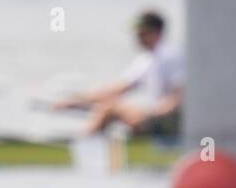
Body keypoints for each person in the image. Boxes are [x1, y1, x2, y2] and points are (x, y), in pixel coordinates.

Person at [52, 10, 183, 137]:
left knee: (109, 109)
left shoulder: (170, 55)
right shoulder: (146, 60)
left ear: (156, 32)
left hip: (173, 121)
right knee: (107, 106)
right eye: (137, 34)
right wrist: (74, 102)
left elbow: (179, 97)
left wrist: (151, 115)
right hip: (156, 117)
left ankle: (81, 145)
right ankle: (86, 142)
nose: (137, 38)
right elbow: (114, 91)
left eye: (142, 33)